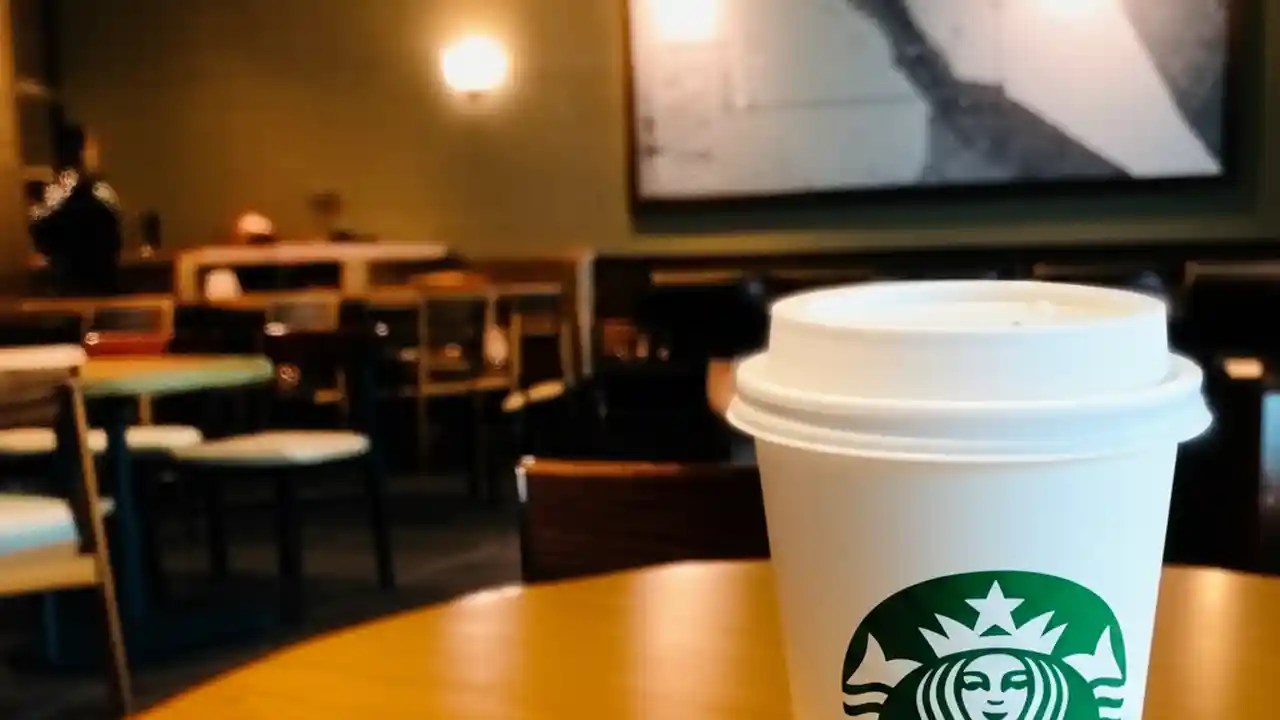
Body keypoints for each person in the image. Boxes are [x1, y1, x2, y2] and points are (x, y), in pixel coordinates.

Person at [28, 125, 123, 296]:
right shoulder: (98, 196)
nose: (96, 153)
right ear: (81, 153)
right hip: (98, 288)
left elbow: (41, 236)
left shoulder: (54, 196)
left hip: (66, 289)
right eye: (91, 148)